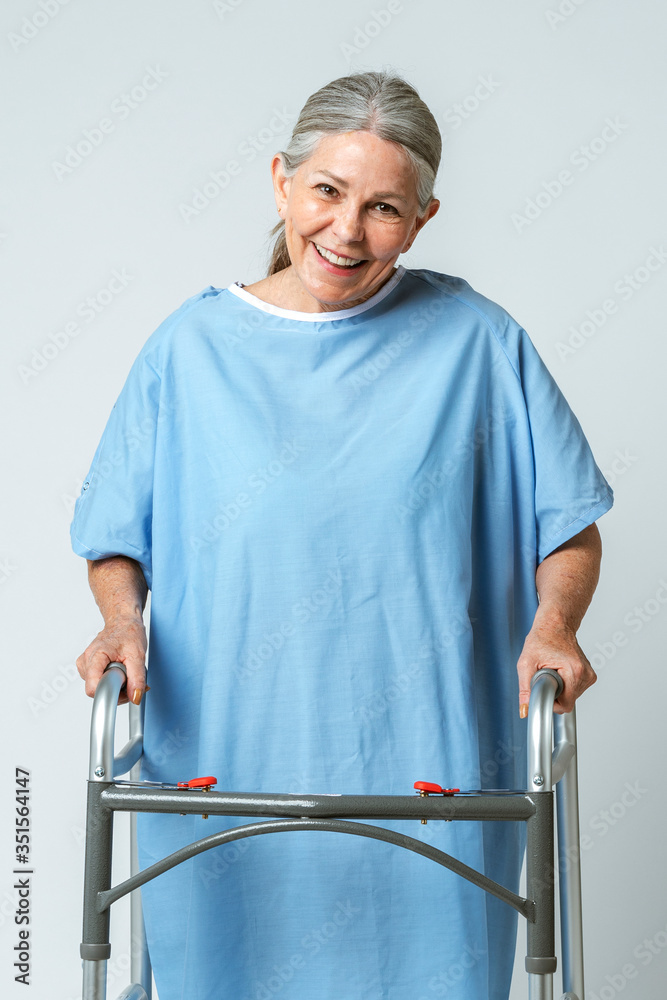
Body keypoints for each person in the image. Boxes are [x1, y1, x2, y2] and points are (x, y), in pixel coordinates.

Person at [71, 70, 613, 1000]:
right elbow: (115, 534)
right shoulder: (189, 349)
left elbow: (567, 526)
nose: (347, 230)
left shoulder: (477, 342)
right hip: (227, 765)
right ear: (280, 180)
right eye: (325, 191)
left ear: (424, 217)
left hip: (430, 768)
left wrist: (553, 625)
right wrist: (122, 622)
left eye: (384, 207)